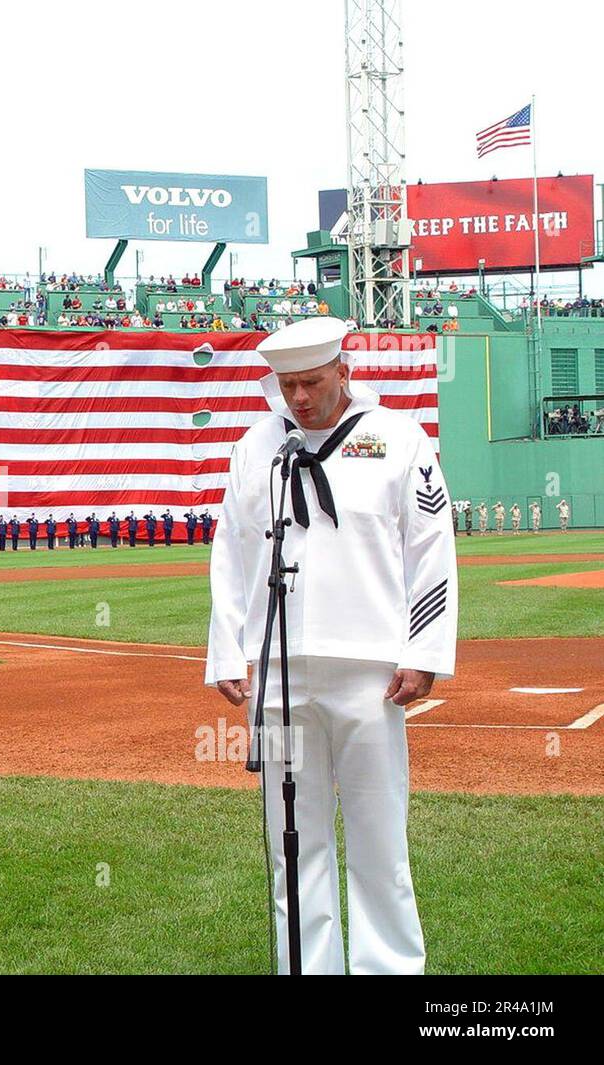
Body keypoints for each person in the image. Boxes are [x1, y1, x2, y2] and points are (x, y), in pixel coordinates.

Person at [207, 317, 457, 975]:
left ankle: (391, 968)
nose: (301, 398)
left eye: (313, 382)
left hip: (371, 674)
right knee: (294, 847)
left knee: (379, 844)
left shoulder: (399, 440)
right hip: (282, 672)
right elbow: (230, 549)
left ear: (343, 371)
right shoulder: (255, 449)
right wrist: (228, 649)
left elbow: (431, 546)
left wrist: (423, 649)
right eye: (288, 385)